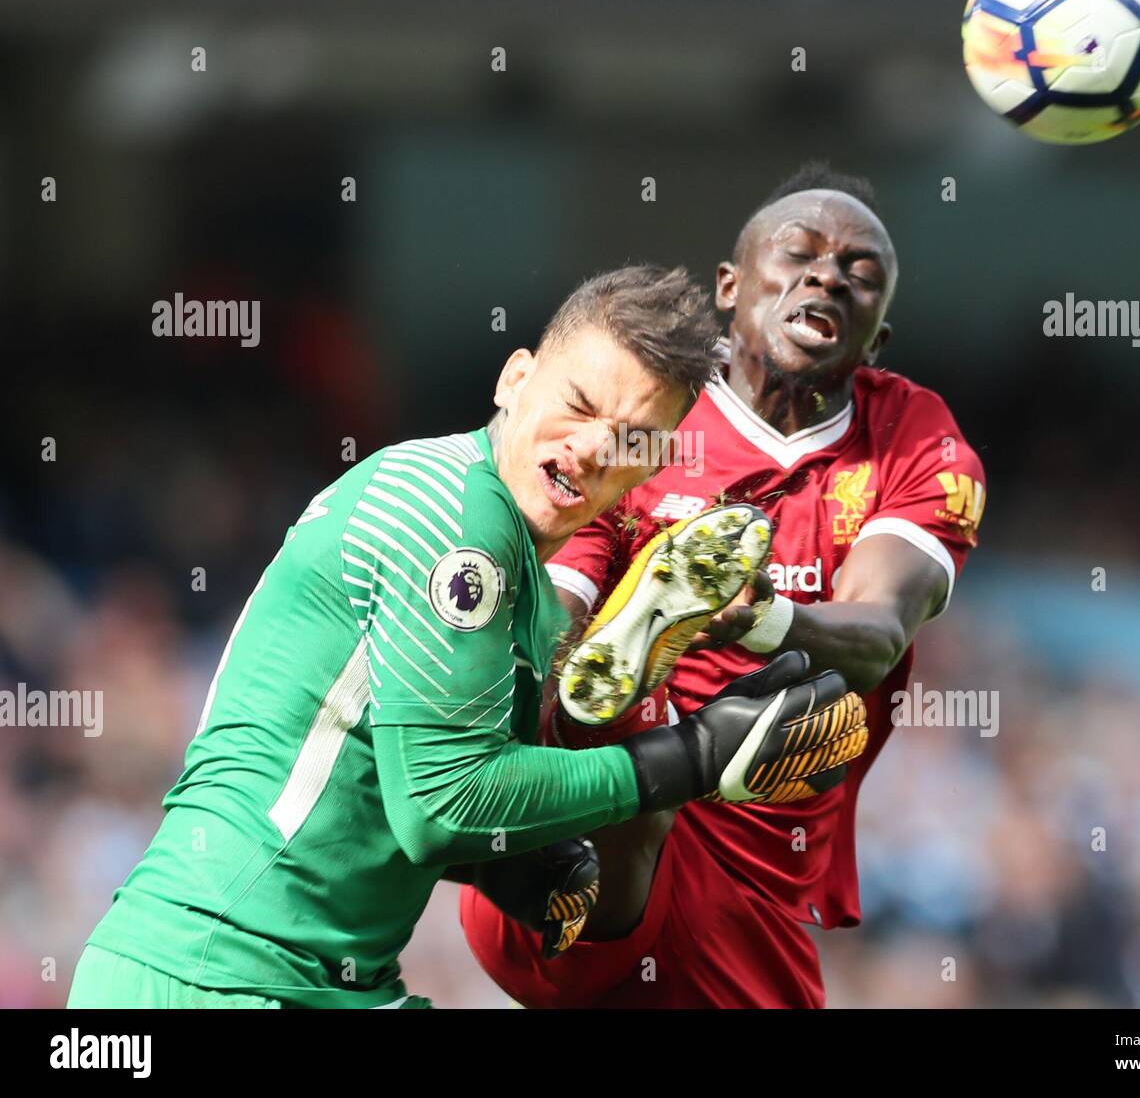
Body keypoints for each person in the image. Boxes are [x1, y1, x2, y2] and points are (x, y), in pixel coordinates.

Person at [67, 264, 864, 1009]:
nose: (590, 448)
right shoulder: (455, 513)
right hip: (217, 972)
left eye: (631, 440)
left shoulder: (516, 575)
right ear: (514, 378)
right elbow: (443, 801)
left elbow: (379, 788)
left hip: (291, 978)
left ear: (651, 468)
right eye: (579, 405)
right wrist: (688, 758)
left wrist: (516, 866)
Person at [462, 163, 987, 1008]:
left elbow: (877, 633)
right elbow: (567, 568)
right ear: (730, 287)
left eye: (861, 274)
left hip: (755, 863)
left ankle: (635, 716)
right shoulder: (653, 411)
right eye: (800, 254)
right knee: (600, 705)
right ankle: (611, 719)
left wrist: (753, 614)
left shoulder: (914, 439)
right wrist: (546, 649)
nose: (827, 276)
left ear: (878, 337)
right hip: (567, 845)